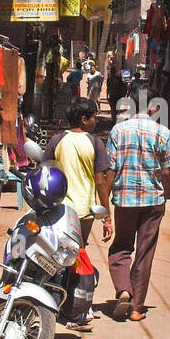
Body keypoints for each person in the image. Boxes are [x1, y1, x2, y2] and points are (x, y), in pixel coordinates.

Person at [106, 98, 170, 321]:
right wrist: (164, 197)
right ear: (154, 108)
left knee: (121, 246)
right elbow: (166, 172)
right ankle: (137, 308)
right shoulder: (162, 132)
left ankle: (124, 289)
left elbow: (110, 170)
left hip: (125, 200)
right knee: (145, 252)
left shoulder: (118, 131)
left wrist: (106, 202)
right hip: (153, 200)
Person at [46, 98, 113, 246]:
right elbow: (100, 182)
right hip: (85, 210)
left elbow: (45, 173)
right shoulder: (96, 143)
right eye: (94, 116)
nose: (96, 120)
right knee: (78, 250)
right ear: (84, 119)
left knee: (56, 248)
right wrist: (107, 217)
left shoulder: (56, 140)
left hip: (58, 207)